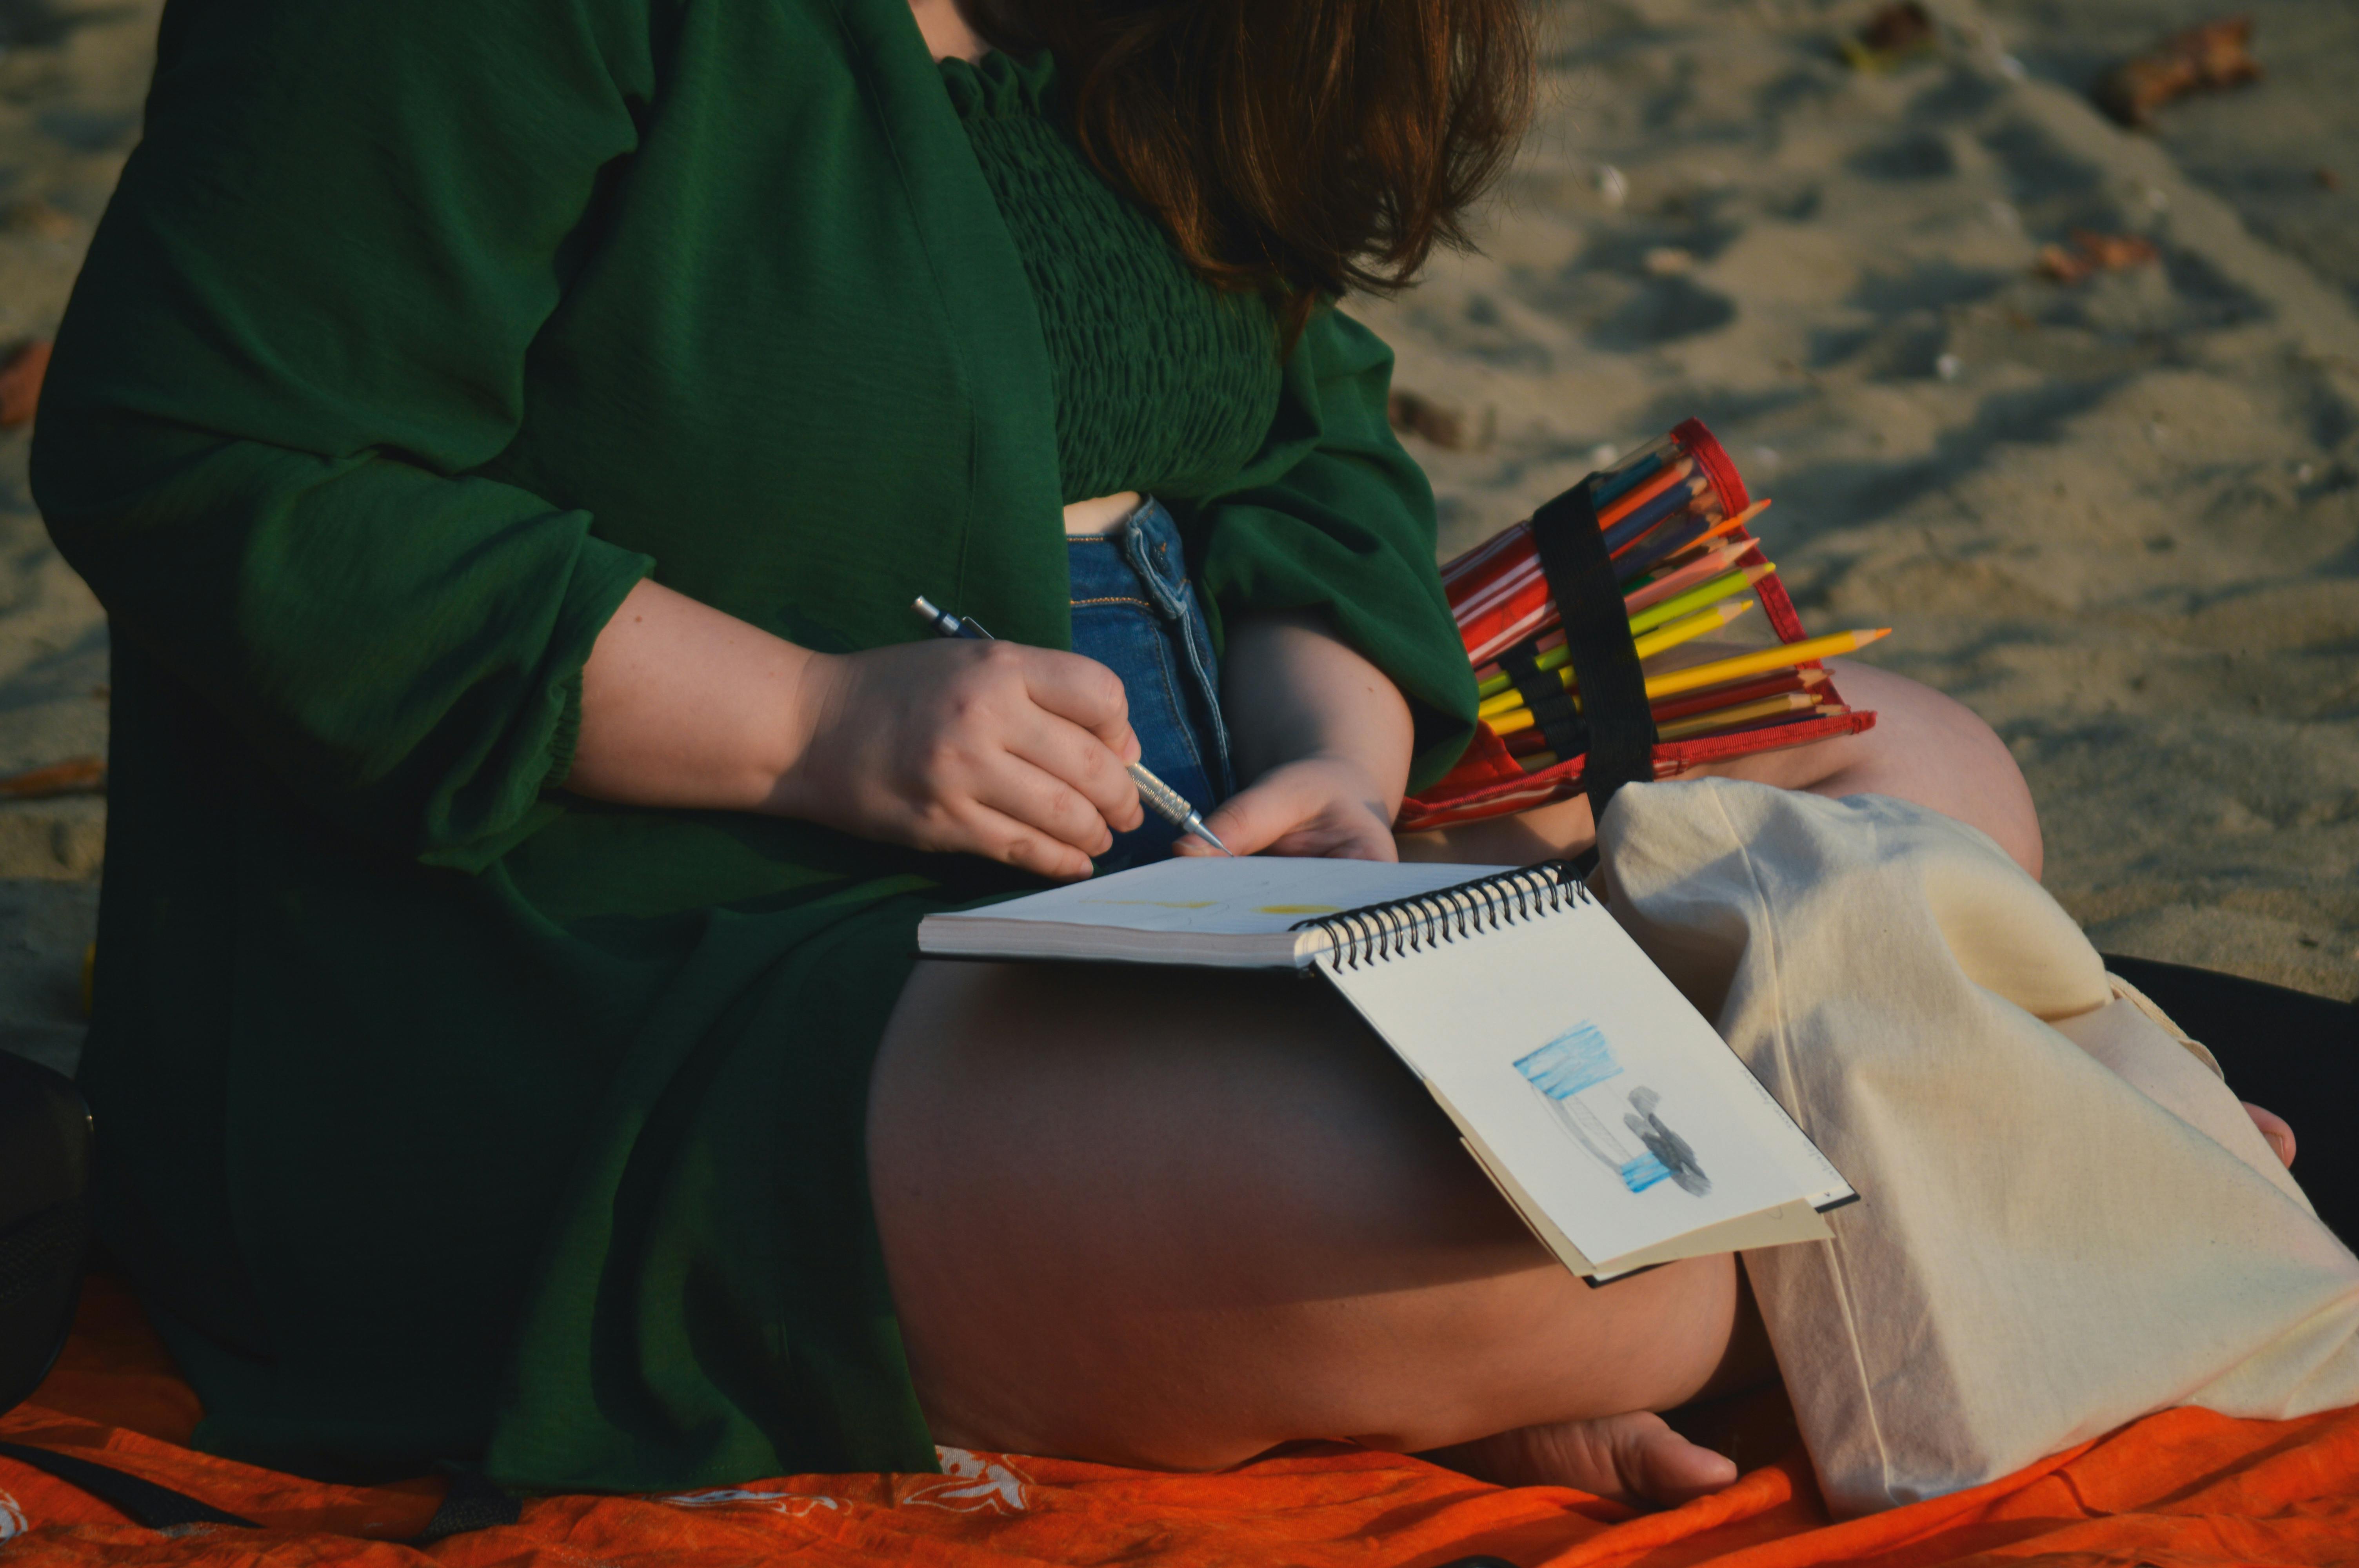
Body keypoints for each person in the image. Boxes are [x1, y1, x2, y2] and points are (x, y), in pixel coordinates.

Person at [36, 0, 2183, 1512]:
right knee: (1561, 1253)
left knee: (1923, 769)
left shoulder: (1167, 21)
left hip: (1185, 830)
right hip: (647, 951)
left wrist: (1331, 770)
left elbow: (1305, 432)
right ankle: (1946, 1164)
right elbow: (210, 458)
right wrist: (811, 727)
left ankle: (1741, 1217)